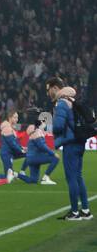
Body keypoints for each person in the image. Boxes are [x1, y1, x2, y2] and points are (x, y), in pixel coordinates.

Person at [47, 77, 92, 221]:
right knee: (78, 175)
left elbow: (59, 126)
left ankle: (74, 212)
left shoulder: (61, 103)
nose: (48, 93)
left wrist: (52, 128)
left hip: (70, 143)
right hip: (80, 141)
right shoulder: (73, 99)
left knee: (71, 178)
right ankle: (85, 210)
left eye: (48, 89)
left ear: (55, 88)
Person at [15, 116, 59, 186]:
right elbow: (41, 146)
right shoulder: (37, 132)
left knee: (33, 180)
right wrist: (52, 153)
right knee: (55, 158)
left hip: (31, 158)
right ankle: (45, 178)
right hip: (35, 157)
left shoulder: (35, 131)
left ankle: (16, 174)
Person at [0, 111, 25, 182]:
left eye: (17, 117)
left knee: (29, 153)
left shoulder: (10, 127)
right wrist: (21, 150)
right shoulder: (7, 128)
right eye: (15, 117)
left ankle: (20, 172)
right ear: (10, 118)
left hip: (10, 153)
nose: (17, 119)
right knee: (7, 178)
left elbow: (15, 143)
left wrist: (22, 148)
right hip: (7, 154)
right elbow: (12, 143)